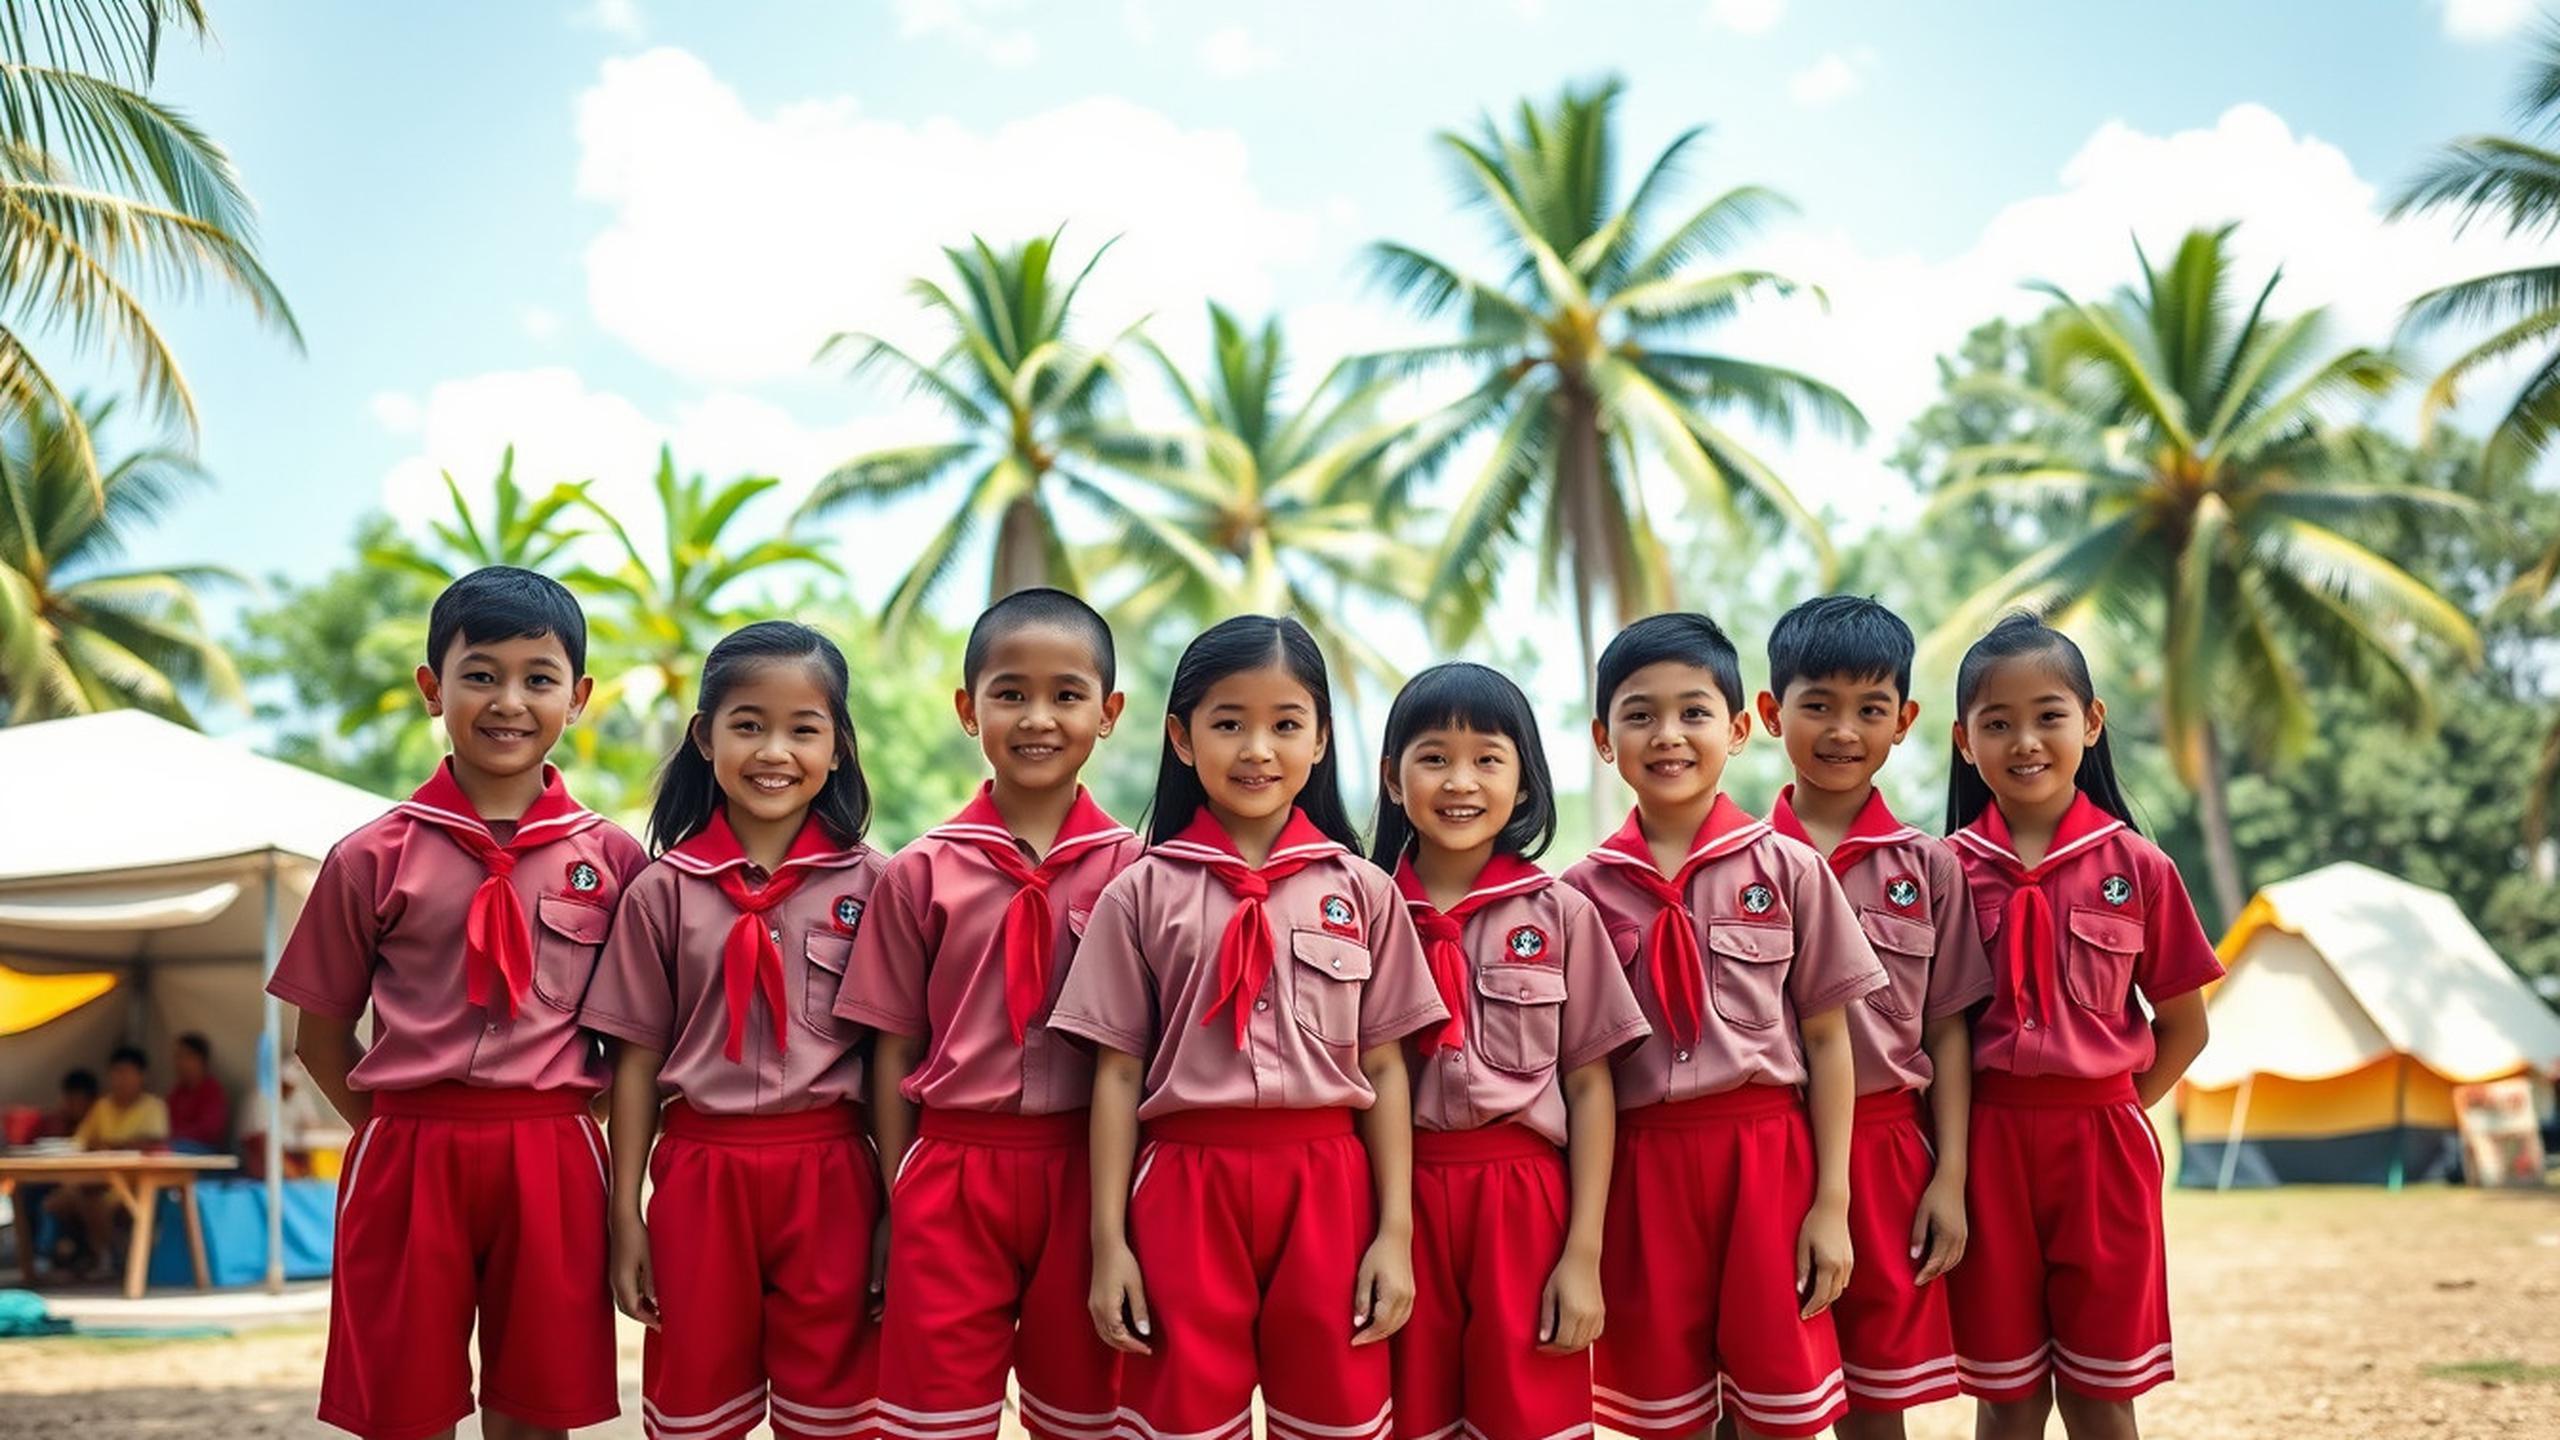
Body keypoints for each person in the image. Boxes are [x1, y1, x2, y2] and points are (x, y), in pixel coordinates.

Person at [267, 565, 646, 1440]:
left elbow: (635, 1045)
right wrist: (397, 1133)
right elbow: (320, 1039)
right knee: (404, 1409)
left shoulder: (617, 861)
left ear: (578, 697)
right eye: (481, 674)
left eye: (538, 678)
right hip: (406, 1149)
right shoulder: (369, 856)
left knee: (535, 1412)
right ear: (433, 688)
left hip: (552, 1150)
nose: (509, 701)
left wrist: (565, 1123)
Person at [1051, 615, 1447, 1440]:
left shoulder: (1365, 892)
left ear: (1321, 741)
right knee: (1184, 1418)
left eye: (1285, 724)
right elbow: (1117, 1074)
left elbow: (1387, 1068)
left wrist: (1395, 1233)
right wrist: (1109, 1242)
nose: (1257, 748)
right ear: (1182, 739)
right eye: (1228, 723)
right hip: (1185, 1187)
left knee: (1338, 1417)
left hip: (1331, 1187)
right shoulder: (1141, 891)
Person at [1559, 612, 1887, 1440]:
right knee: (1664, 1417)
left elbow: (1825, 1039)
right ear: (1604, 738)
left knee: (1780, 1415)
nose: (1668, 735)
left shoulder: (1789, 869)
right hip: (1642, 1174)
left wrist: (1832, 1203)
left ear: (1739, 730)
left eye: (1694, 712)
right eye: (1639, 715)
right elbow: (1582, 1077)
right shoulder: (1577, 896)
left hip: (1769, 1162)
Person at [836, 589, 1139, 1440]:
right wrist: (903, 1198)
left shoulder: (1141, 873)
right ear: (969, 710)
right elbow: (891, 1052)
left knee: (1087, 1414)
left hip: (1090, 1172)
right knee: (931, 1418)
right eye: (1010, 694)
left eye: (1067, 695)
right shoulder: (920, 873)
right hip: (952, 1170)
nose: (1038, 718)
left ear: (1109, 713)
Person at [584, 621, 888, 1440]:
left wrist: (898, 1205)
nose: (773, 751)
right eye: (747, 725)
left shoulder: (879, 885)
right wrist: (627, 1215)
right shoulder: (661, 892)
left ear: (838, 746)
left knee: (836, 1416)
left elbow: (895, 1060)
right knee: (694, 1413)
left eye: (803, 728)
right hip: (699, 1176)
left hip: (834, 1179)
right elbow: (637, 1062)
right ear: (704, 737)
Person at [1940, 613, 2219, 1440]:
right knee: (2008, 1393)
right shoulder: (1943, 872)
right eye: (1998, 723)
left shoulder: (2141, 869)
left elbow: (2185, 1026)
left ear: (2091, 723)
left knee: (2101, 1394)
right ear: (1964, 742)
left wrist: (2116, 1105)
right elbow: (1937, 1032)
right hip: (1985, 1143)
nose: (2025, 740)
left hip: (2102, 1144)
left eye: (2048, 715)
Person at [1370, 662, 1649, 1440]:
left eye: (1488, 759)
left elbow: (1592, 1088)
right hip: (1397, 1198)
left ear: (1525, 783)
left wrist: (1582, 1254)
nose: (1460, 781)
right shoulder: (1357, 910)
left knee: (1529, 1420)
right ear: (1394, 780)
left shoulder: (1564, 914)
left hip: (1526, 1201)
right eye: (1434, 758)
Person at [1755, 596, 1994, 1435]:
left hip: (1889, 1150)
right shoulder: (1740, 865)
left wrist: (1951, 1178)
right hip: (1766, 1150)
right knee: (1748, 1394)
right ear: (1771, 712)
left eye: (1870, 709)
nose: (1843, 730)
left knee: (1875, 1399)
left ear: (1906, 722)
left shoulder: (1928, 867)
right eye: (1817, 704)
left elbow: (1947, 1032)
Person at [46, 1047, 171, 1276]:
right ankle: (65, 1256)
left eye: (126, 1073)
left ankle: (106, 1257)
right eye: (116, 1073)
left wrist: (111, 1147)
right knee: (57, 1201)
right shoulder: (102, 1106)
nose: (120, 1080)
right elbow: (79, 1142)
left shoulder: (153, 1107)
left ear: (141, 1076)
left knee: (94, 1200)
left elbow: (153, 1143)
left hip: (135, 1184)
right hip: (98, 1180)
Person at [166, 1032, 230, 1154]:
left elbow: (210, 1130)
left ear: (201, 1061)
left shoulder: (212, 1090)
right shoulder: (176, 1093)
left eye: (187, 1056)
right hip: (176, 1148)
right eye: (178, 1057)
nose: (180, 1063)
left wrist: (179, 1135)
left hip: (204, 1154)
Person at [38, 1068, 97, 1139]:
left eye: (77, 1101)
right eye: (69, 1100)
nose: (71, 1106)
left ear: (90, 1102)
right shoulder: (54, 1124)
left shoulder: (98, 1125)